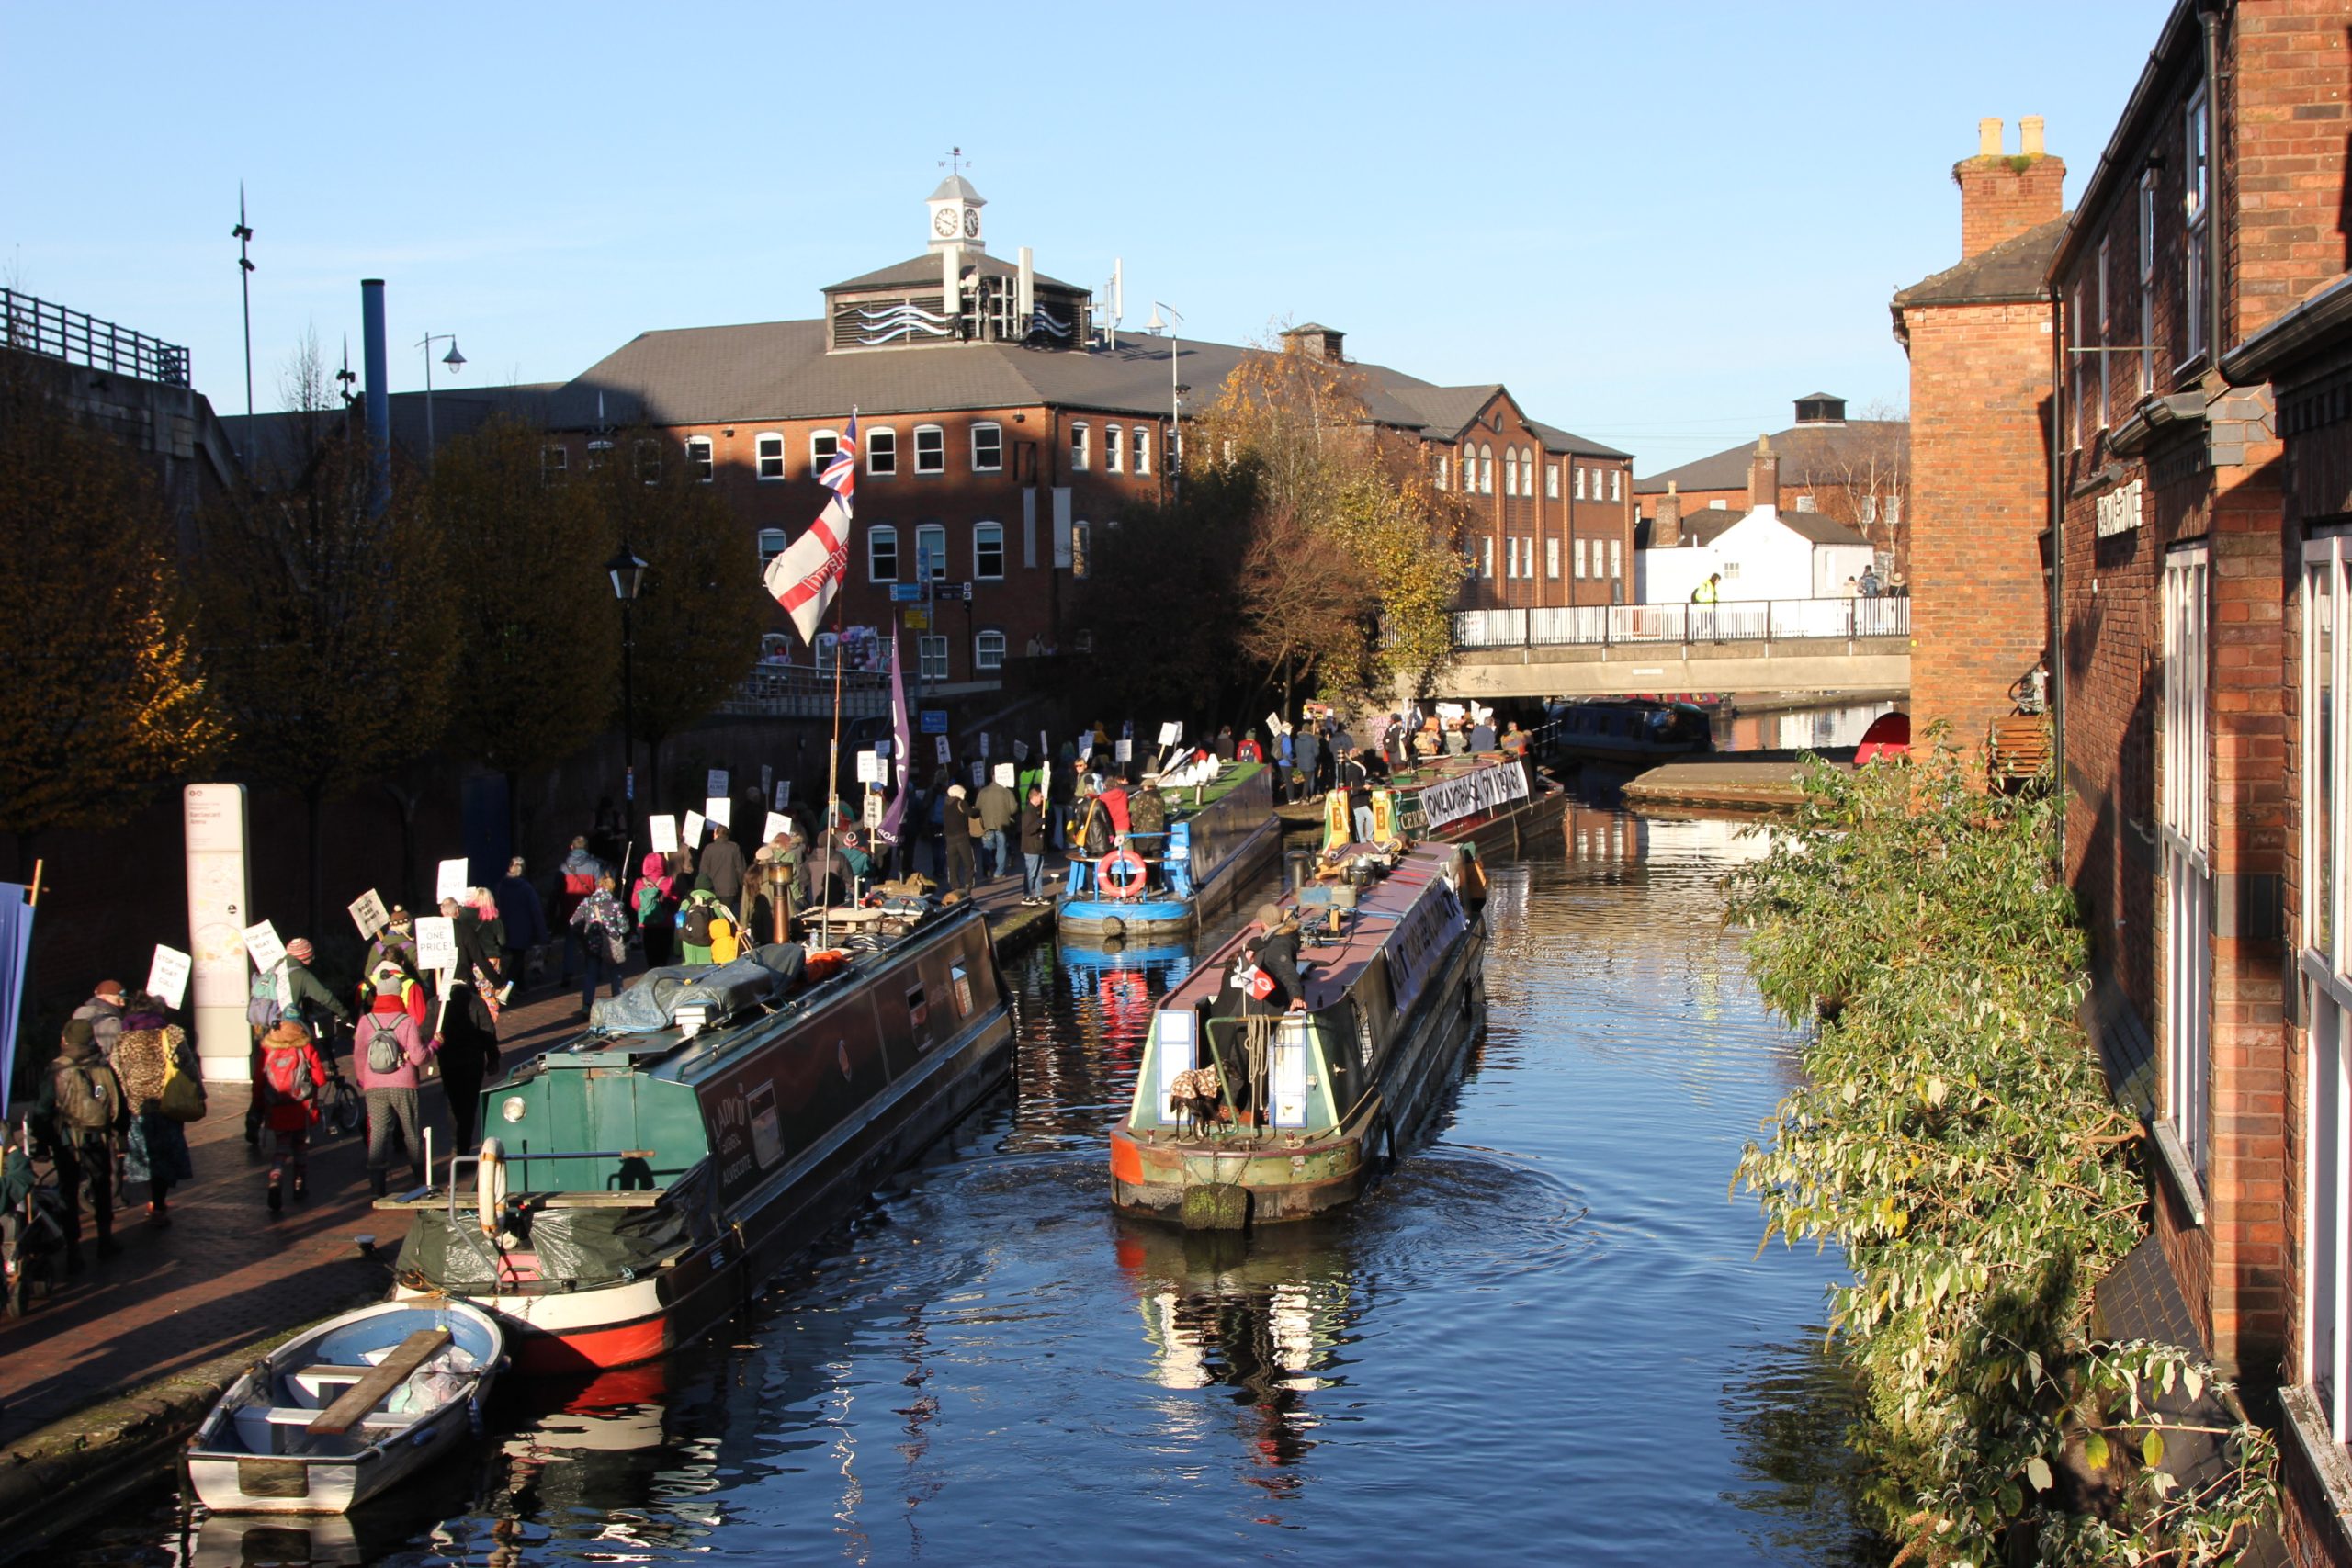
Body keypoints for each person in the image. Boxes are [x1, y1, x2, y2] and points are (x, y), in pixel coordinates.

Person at [36, 1018, 126, 1268]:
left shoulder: (56, 1069)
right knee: (101, 1185)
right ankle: (105, 1241)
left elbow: (42, 1110)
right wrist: (121, 1137)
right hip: (97, 1137)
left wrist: (42, 1143)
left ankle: (74, 1250)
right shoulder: (102, 1066)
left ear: (65, 1039)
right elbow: (120, 1106)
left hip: (66, 1139)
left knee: (68, 1190)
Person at [111, 993, 196, 1228]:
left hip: (137, 1107)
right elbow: (188, 1067)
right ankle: (159, 1203)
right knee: (165, 1156)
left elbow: (116, 1073)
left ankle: (154, 1200)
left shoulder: (122, 1040)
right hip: (168, 1104)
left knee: (147, 1157)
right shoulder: (170, 1035)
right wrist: (198, 1093)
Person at [435, 897, 503, 1158]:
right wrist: (496, 981)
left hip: (442, 992)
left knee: (451, 1092)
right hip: (462, 985)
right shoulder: (464, 931)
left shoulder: (434, 932)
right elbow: (479, 959)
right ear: (457, 912)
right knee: (468, 1098)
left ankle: (457, 1139)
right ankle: (462, 1141)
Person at [355, 982, 435, 1199]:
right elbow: (418, 1057)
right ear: (399, 994)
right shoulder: (406, 1021)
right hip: (403, 1083)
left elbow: (360, 1055)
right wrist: (433, 1047)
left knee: (379, 1132)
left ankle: (377, 1186)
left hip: (374, 1085)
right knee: (411, 1131)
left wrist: (365, 1081)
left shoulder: (365, 1021)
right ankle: (419, 1181)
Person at [254, 1019, 326, 1212]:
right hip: (301, 1109)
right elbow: (320, 1078)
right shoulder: (305, 1047)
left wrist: (258, 1106)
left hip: (277, 1109)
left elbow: (259, 1082)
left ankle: (275, 1178)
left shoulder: (268, 1049)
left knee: (281, 1148)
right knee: (300, 1148)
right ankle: (299, 1185)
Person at [571, 874, 628, 1019]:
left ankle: (586, 1006)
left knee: (591, 974)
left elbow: (573, 921)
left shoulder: (588, 902)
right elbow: (624, 928)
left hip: (592, 943)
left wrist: (583, 934)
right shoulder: (616, 904)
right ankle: (618, 1004)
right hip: (611, 944)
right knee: (616, 974)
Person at [556, 836, 605, 986]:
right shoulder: (594, 866)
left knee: (570, 943)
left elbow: (557, 890)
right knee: (591, 943)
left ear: (572, 847)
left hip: (569, 910)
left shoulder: (563, 867)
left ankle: (567, 974)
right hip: (589, 910)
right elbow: (601, 889)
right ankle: (593, 971)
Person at [494, 856, 548, 985]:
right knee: (518, 957)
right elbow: (536, 911)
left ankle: (519, 982)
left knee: (516, 956)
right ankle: (509, 984)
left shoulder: (501, 886)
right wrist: (542, 933)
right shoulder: (526, 888)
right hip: (523, 927)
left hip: (506, 926)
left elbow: (497, 905)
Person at [633, 852, 678, 970]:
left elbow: (635, 904)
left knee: (651, 958)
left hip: (647, 923)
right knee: (663, 958)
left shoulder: (639, 883)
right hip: (665, 923)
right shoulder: (668, 882)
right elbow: (674, 903)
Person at [676, 877, 734, 965]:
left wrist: (677, 949)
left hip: (688, 947)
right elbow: (724, 930)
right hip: (707, 947)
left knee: (689, 974)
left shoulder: (686, 903)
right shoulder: (715, 904)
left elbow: (678, 927)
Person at [70, 981, 126, 1068]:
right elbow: (117, 1056)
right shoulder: (112, 1022)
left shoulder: (79, 1016)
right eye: (118, 999)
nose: (123, 1004)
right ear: (104, 997)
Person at [976, 773, 1018, 880]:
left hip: (987, 824)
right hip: (1002, 824)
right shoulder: (1007, 792)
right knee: (1001, 847)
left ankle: (986, 870)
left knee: (987, 847)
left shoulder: (983, 791)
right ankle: (999, 872)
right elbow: (1013, 809)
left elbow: (977, 807)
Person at [700, 824, 748, 909]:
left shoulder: (708, 848)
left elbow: (704, 870)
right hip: (730, 889)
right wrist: (742, 885)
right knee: (727, 916)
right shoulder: (734, 848)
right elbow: (740, 869)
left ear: (716, 834)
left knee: (715, 916)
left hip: (713, 888)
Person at [942, 784, 978, 895]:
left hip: (949, 839)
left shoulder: (946, 804)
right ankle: (968, 885)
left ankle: (955, 887)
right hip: (962, 837)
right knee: (969, 863)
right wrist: (977, 810)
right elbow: (972, 814)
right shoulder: (961, 803)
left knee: (952, 865)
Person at [1018, 787, 1049, 905]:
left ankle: (1039, 894)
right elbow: (1027, 830)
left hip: (1038, 846)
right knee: (1031, 872)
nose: (1042, 799)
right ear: (1034, 797)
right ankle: (1026, 895)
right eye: (1040, 797)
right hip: (1031, 847)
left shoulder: (1036, 810)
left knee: (1039, 872)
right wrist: (1039, 822)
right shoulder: (1028, 812)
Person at [1339, 750, 1374, 842]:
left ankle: (1361, 840)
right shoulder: (1356, 769)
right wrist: (1364, 787)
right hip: (1358, 798)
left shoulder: (1352, 767)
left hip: (1354, 798)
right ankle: (1369, 838)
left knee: (1359, 819)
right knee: (1371, 818)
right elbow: (1355, 784)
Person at [1294, 725, 1322, 805]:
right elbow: (1317, 753)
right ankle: (1307, 797)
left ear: (1302, 729)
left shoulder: (1297, 740)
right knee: (1309, 781)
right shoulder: (1312, 740)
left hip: (1300, 763)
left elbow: (1295, 751)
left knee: (1306, 781)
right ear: (1309, 730)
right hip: (1310, 763)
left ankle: (1306, 796)